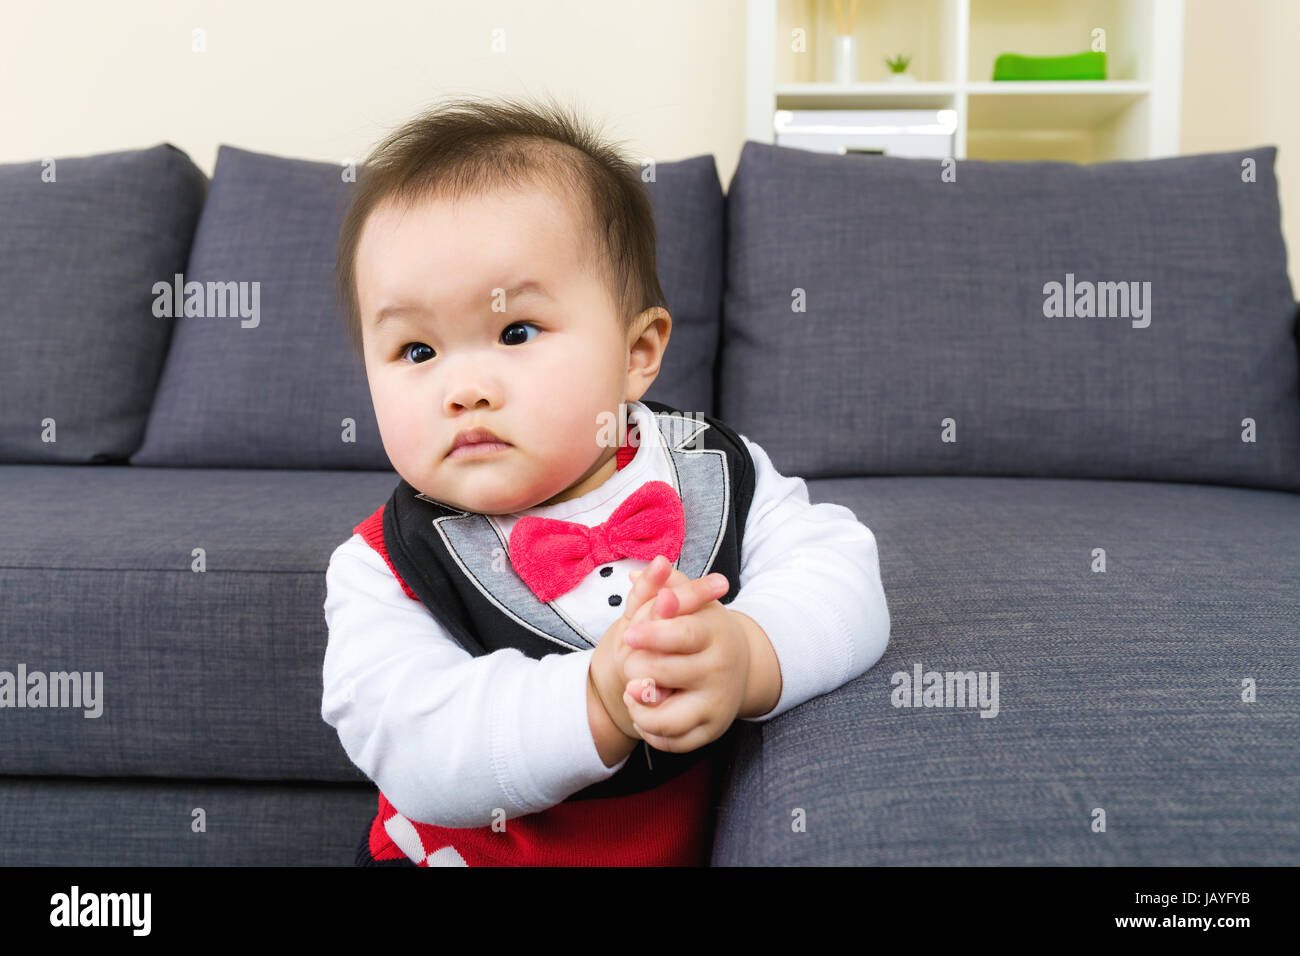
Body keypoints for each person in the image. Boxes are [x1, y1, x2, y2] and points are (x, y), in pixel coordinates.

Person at [321, 94, 891, 866]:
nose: (462, 388)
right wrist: (596, 697)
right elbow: (412, 744)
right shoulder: (384, 568)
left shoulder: (706, 467)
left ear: (637, 353)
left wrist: (749, 654)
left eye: (516, 332)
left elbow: (841, 571)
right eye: (417, 351)